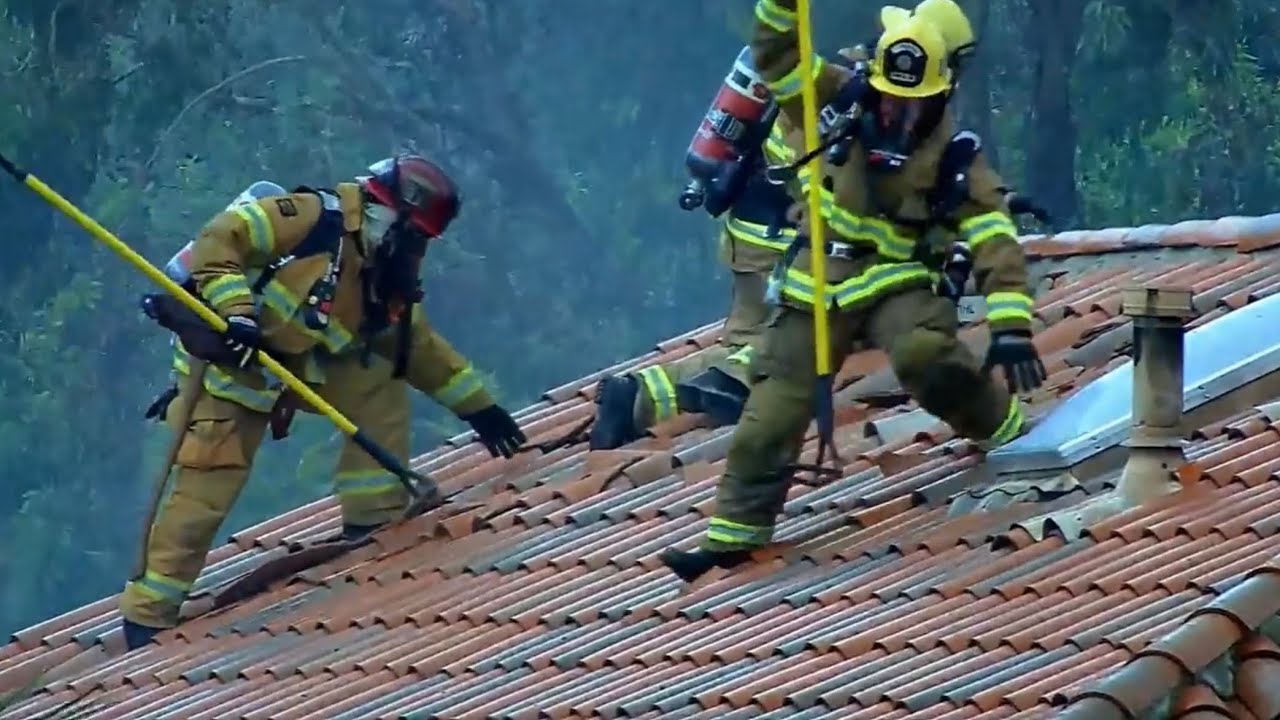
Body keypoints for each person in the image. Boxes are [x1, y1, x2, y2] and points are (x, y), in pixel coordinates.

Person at [659, 1, 1047, 582]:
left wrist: (1011, 325)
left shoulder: (955, 153)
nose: (898, 113)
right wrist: (782, 8)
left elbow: (992, 235)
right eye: (891, 96)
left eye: (914, 104)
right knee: (770, 412)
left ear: (939, 95)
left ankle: (1008, 434)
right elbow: (777, 58)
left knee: (923, 352)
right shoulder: (837, 97)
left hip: (898, 282)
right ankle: (734, 534)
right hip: (818, 281)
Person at [119, 156, 527, 649]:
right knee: (206, 488)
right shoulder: (309, 219)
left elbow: (412, 347)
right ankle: (149, 612)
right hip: (228, 374)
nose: (416, 248)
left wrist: (478, 407)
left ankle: (374, 515)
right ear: (384, 210)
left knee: (379, 379)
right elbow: (219, 241)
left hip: (292, 371)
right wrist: (237, 313)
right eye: (414, 234)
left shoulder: (378, 268)